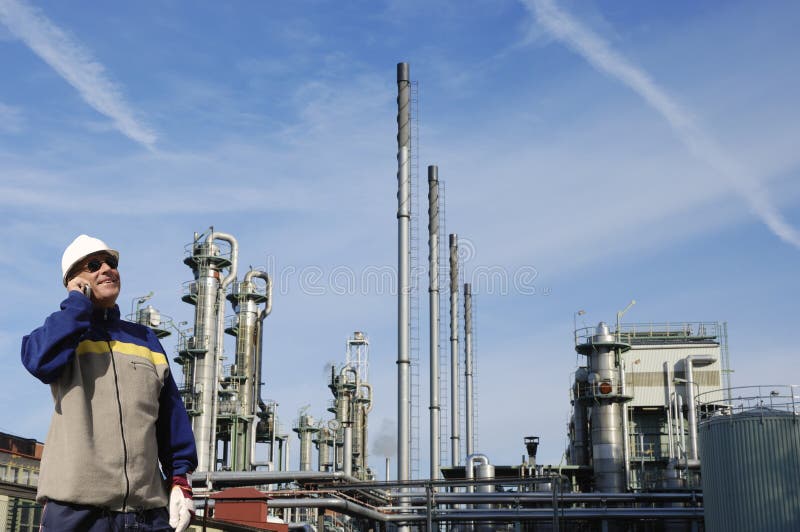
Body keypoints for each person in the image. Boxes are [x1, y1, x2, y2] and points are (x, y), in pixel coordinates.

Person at [21, 235, 198, 531]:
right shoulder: (62, 335)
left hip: (147, 514)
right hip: (77, 514)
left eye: (111, 263)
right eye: (94, 264)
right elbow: (38, 361)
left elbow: (170, 416)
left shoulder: (146, 341)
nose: (106, 269)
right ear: (74, 281)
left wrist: (180, 480)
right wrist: (77, 306)